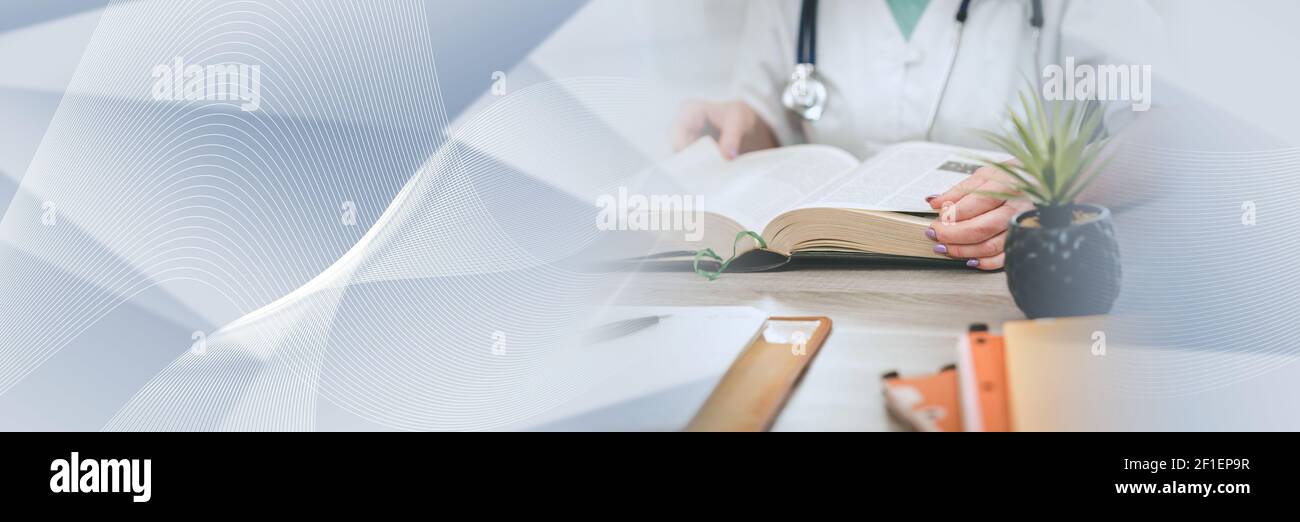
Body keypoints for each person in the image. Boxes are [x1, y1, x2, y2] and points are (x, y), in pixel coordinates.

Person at [672, 0, 1162, 270]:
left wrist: (1052, 183)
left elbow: (1173, 136)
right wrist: (742, 125)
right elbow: (774, 121)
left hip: (1021, 283)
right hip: (827, 287)